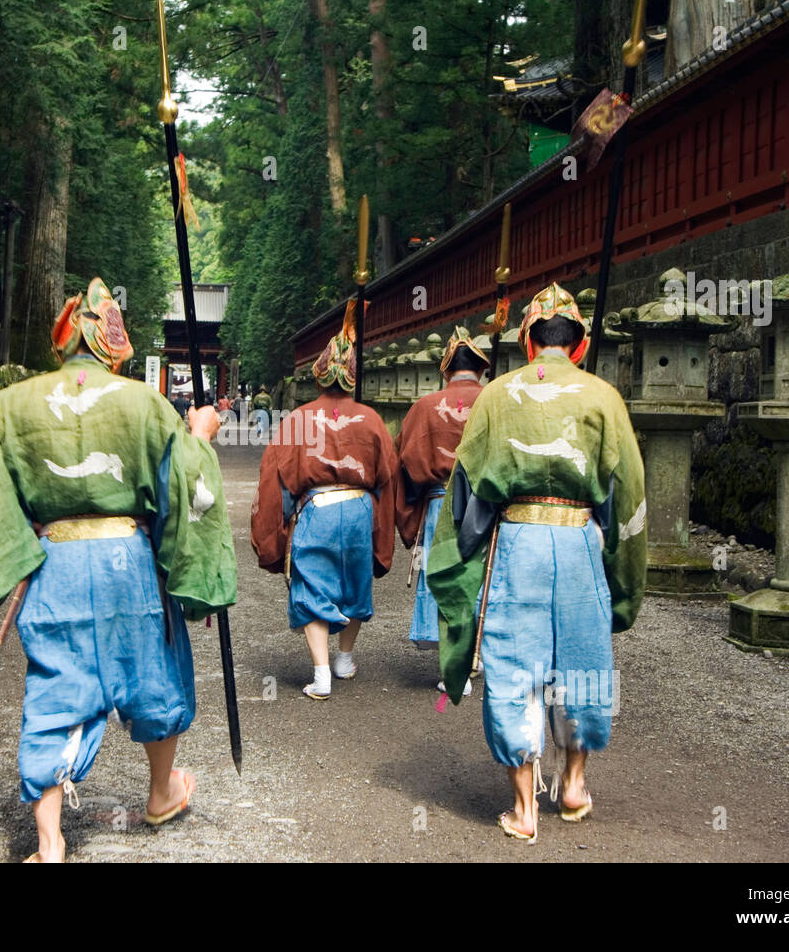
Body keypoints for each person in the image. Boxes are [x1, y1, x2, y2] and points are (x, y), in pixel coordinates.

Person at [0, 278, 236, 863]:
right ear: (113, 346)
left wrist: (12, 546)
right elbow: (183, 482)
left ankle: (50, 842)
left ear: (63, 343)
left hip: (57, 563)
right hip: (131, 563)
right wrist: (199, 435)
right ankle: (162, 792)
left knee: (55, 685)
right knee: (153, 671)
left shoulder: (12, 404)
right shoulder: (146, 402)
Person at [426, 283, 646, 843]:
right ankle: (572, 785)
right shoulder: (603, 397)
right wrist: (625, 583)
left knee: (513, 662)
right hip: (579, 543)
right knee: (584, 658)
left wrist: (458, 563)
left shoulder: (497, 396)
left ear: (528, 341)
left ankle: (524, 808)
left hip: (517, 539)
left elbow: (466, 488)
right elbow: (628, 496)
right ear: (577, 343)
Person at [251, 302, 398, 699]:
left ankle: (321, 675)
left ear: (318, 376)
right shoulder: (371, 419)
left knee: (311, 583)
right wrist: (382, 525)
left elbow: (277, 478)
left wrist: (276, 528)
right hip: (360, 509)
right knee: (355, 582)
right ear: (351, 380)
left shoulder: (297, 419)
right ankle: (345, 658)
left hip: (317, 509)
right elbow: (387, 476)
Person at [394, 327, 488, 695]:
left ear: (446, 370)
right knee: (485, 571)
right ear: (480, 370)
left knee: (447, 574)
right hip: (489, 503)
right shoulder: (496, 400)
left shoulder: (425, 407)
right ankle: (481, 654)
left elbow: (406, 461)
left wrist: (410, 509)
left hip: (440, 504)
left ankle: (455, 667)